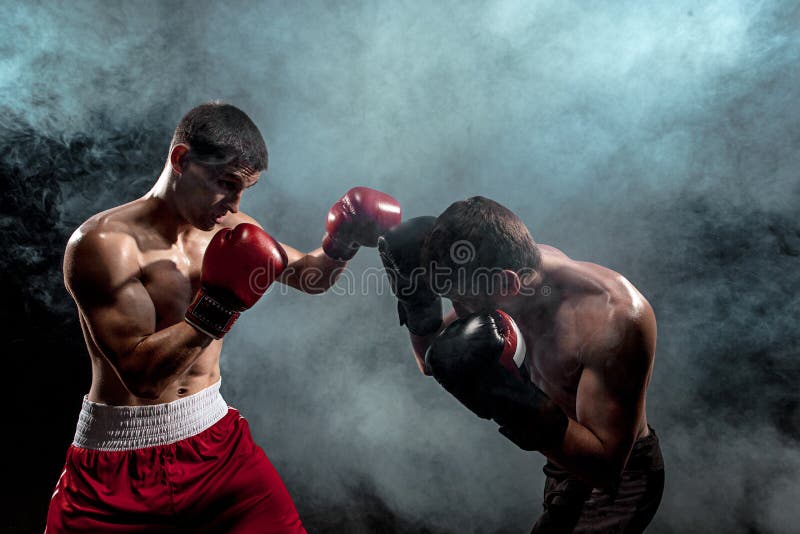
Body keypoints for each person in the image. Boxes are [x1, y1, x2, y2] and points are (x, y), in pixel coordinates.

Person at [45, 101, 401, 533]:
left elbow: (311, 277)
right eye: (225, 184)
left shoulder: (229, 227)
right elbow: (144, 378)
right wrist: (219, 305)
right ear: (181, 160)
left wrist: (341, 242)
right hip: (118, 466)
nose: (233, 204)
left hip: (216, 448)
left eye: (243, 190)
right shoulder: (104, 245)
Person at [379, 197, 664, 533]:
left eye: (462, 300)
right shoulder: (495, 278)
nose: (457, 310)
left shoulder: (613, 318)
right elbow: (433, 359)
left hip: (618, 479)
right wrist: (417, 303)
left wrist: (511, 401)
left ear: (509, 284)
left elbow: (605, 468)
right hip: (563, 466)